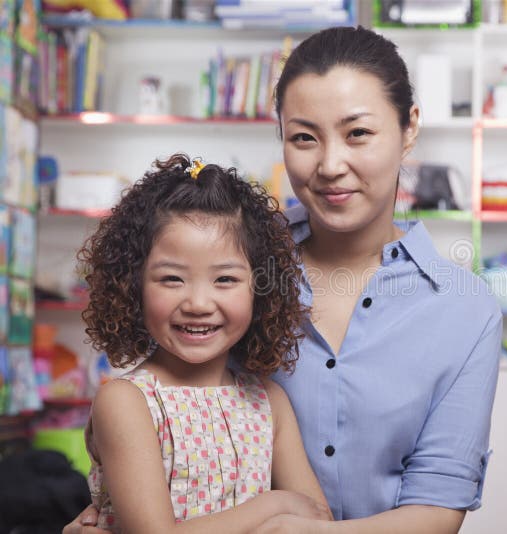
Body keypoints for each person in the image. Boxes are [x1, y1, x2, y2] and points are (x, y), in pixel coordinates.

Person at [66, 25, 502, 534]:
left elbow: (439, 505)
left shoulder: (464, 310)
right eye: (303, 138)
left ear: (409, 129)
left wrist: (307, 528)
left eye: (358, 133)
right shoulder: (233, 255)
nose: (331, 165)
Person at [78, 154, 332, 532]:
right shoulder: (127, 402)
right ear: (132, 286)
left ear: (260, 290)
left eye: (225, 280)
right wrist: (274, 505)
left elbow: (319, 521)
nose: (198, 304)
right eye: (172, 279)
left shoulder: (268, 401)